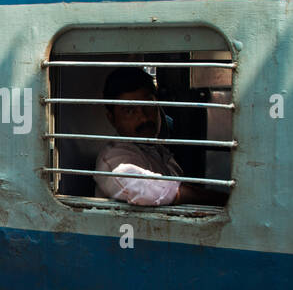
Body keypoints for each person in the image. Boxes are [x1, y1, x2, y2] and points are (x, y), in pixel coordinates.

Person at [94, 67, 224, 207]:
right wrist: (224, 200)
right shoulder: (114, 158)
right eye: (129, 111)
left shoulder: (157, 150)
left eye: (148, 105)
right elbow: (149, 192)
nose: (143, 117)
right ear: (112, 119)